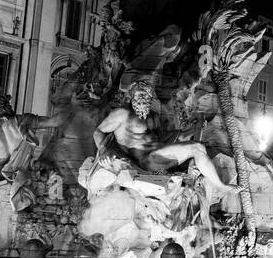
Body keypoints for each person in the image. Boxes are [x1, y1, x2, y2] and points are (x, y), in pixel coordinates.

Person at [93, 80, 239, 202]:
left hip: (158, 157)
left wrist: (193, 129)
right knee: (196, 148)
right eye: (139, 95)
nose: (143, 98)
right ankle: (220, 186)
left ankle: (209, 180)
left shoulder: (154, 117)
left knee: (199, 147)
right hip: (145, 162)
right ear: (131, 96)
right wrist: (103, 150)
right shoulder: (122, 114)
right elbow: (98, 131)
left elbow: (165, 141)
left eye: (146, 96)